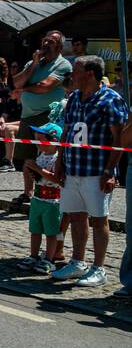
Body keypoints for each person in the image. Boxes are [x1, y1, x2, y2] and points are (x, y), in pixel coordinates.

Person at [52, 56, 128, 287]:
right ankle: (77, 261)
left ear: (91, 73)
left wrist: (110, 170)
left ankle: (99, 268)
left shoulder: (111, 99)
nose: (71, 74)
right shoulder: (74, 97)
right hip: (73, 167)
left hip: (96, 170)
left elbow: (119, 138)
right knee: (76, 216)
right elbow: (67, 131)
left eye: (76, 70)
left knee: (98, 219)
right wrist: (60, 161)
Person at [10, 31, 72, 213]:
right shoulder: (33, 63)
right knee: (27, 155)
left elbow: (45, 86)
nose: (45, 44)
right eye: (44, 39)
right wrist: (34, 64)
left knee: (45, 155)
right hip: (27, 116)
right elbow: (16, 82)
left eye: (51, 41)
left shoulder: (63, 64)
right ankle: (28, 192)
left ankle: (47, 190)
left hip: (48, 116)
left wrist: (24, 89)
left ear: (59, 46)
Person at [14, 122, 65, 274]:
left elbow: (57, 179)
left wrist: (37, 169)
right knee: (35, 230)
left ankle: (49, 259)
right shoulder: (41, 154)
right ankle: (33, 255)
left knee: (51, 232)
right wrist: (33, 173)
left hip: (52, 202)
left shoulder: (58, 158)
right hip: (38, 199)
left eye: (41, 139)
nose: (38, 142)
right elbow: (40, 176)